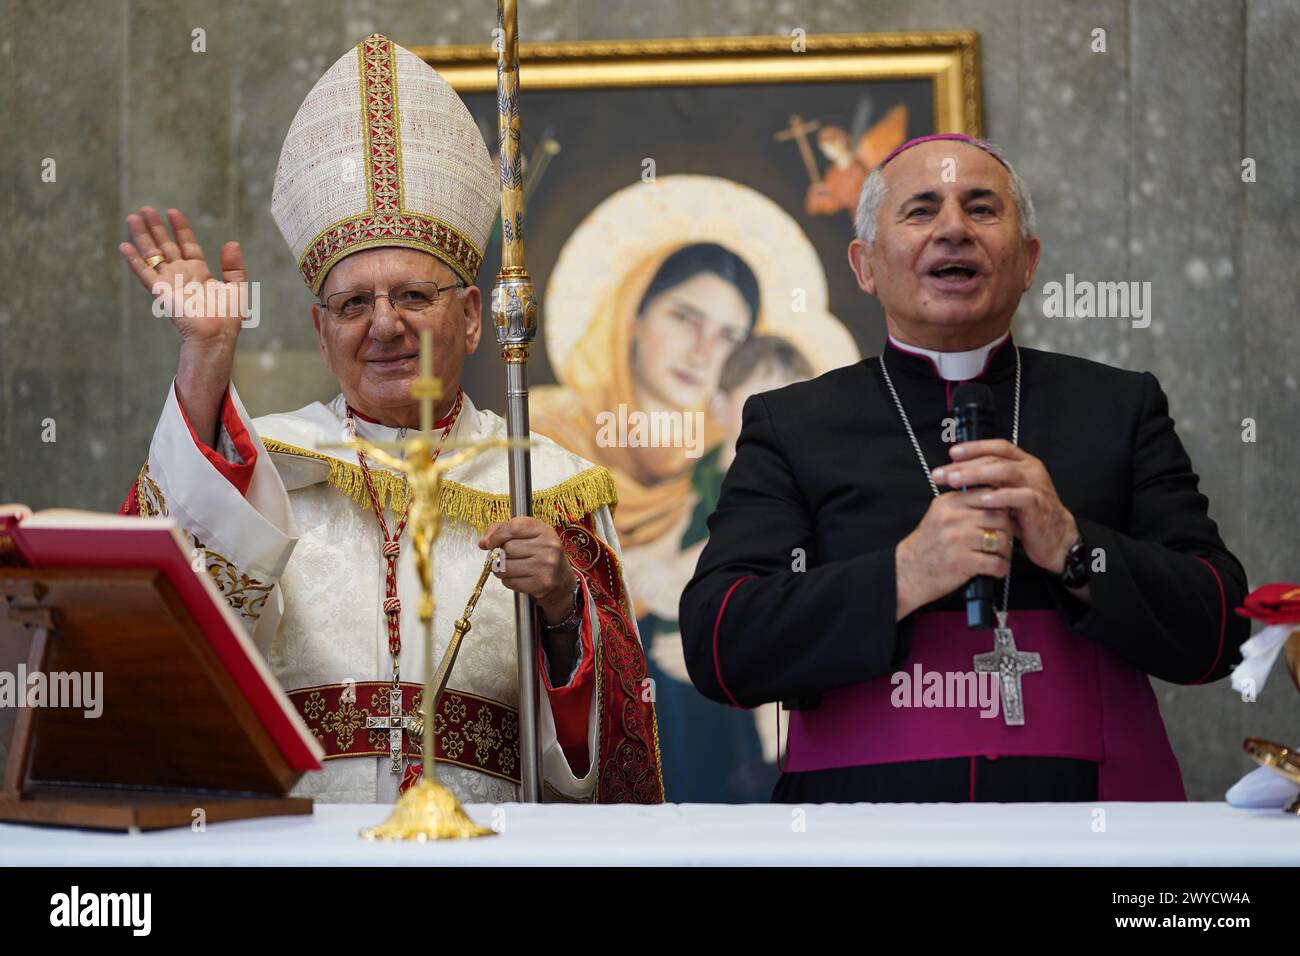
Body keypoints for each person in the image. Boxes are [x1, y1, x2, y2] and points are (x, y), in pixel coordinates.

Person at [116, 34, 662, 805]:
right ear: (319, 330)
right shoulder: (264, 467)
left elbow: (616, 744)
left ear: (472, 317)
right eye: (353, 304)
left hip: (491, 844)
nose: (384, 326)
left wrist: (564, 608)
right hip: (299, 839)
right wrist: (207, 357)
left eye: (413, 296)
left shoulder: (548, 485)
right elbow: (159, 616)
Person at [679, 133, 1249, 803]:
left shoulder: (1119, 408)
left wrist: (1072, 546)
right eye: (920, 210)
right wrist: (903, 575)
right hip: (860, 832)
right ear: (864, 265)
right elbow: (721, 643)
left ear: (1028, 260)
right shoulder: (792, 425)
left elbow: (1220, 628)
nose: (953, 228)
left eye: (981, 209)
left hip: (1089, 822)